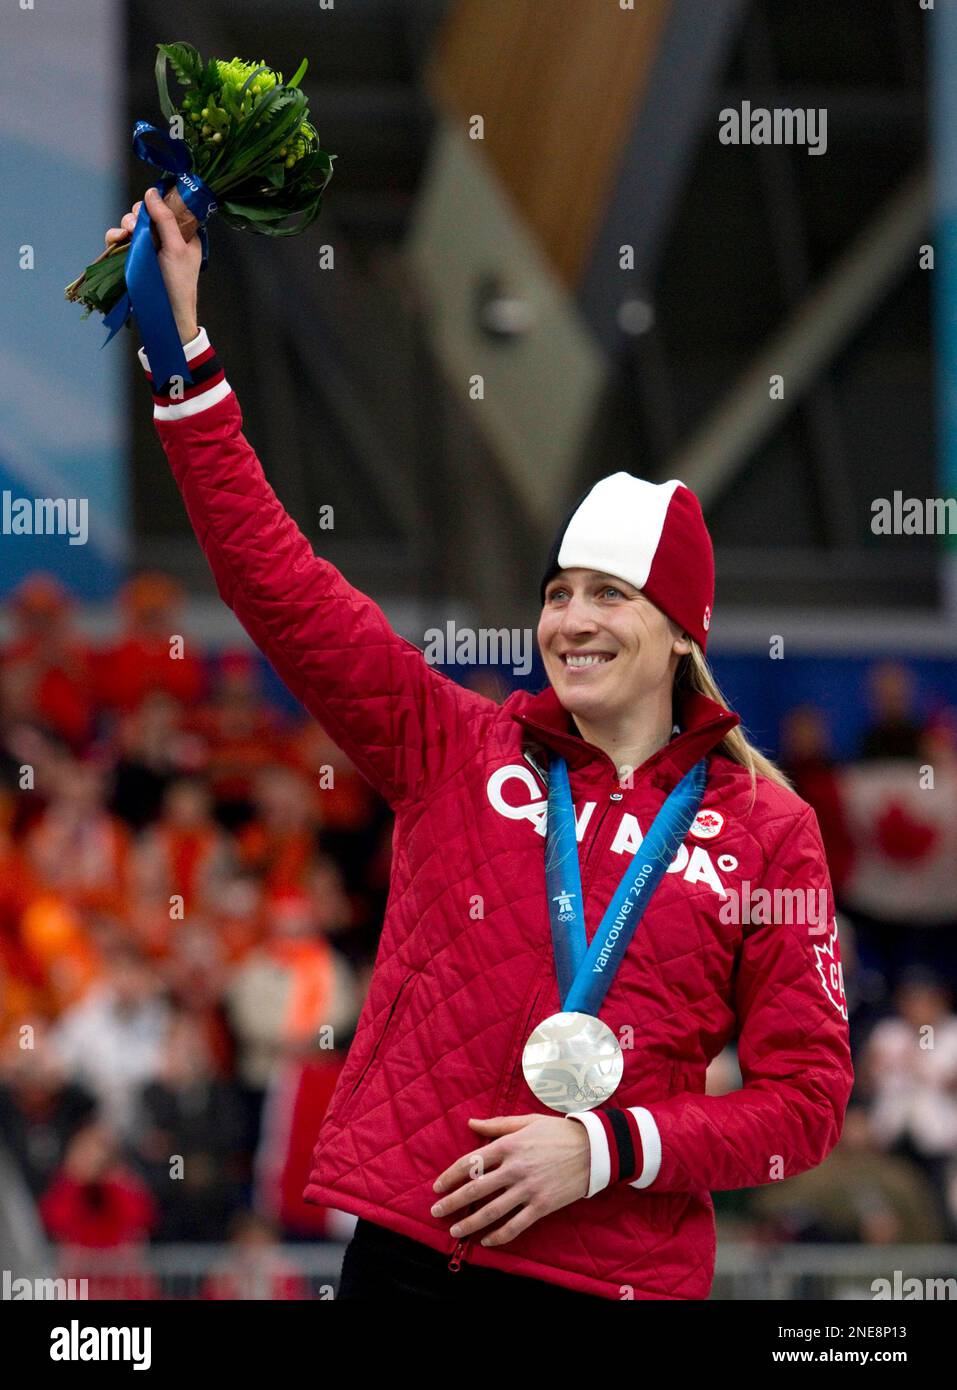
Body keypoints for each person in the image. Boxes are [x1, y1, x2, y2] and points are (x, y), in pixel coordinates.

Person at [104, 191, 853, 1301]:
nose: (570, 619)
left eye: (608, 593)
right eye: (557, 592)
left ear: (679, 632)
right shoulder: (455, 745)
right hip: (410, 1257)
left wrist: (604, 1150)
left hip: (612, 1279)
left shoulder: (769, 833)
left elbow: (803, 1108)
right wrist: (183, 358)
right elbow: (278, 583)